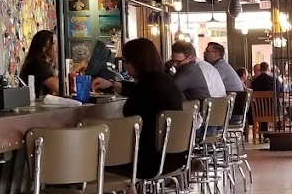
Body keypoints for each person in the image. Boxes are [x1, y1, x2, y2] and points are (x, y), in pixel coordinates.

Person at [93, 37, 187, 176]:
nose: (125, 66)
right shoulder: (164, 80)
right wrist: (112, 85)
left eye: (126, 61)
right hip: (172, 157)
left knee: (92, 156)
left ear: (136, 62)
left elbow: (132, 115)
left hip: (147, 162)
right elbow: (136, 89)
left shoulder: (146, 87)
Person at [202, 41, 245, 117]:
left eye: (207, 51)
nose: (204, 53)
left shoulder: (219, 67)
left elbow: (208, 85)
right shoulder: (222, 65)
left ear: (216, 54)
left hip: (233, 110)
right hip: (234, 107)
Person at [19, 29, 60, 99]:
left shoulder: (36, 61)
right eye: (54, 43)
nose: (56, 46)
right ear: (44, 46)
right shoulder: (38, 63)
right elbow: (57, 87)